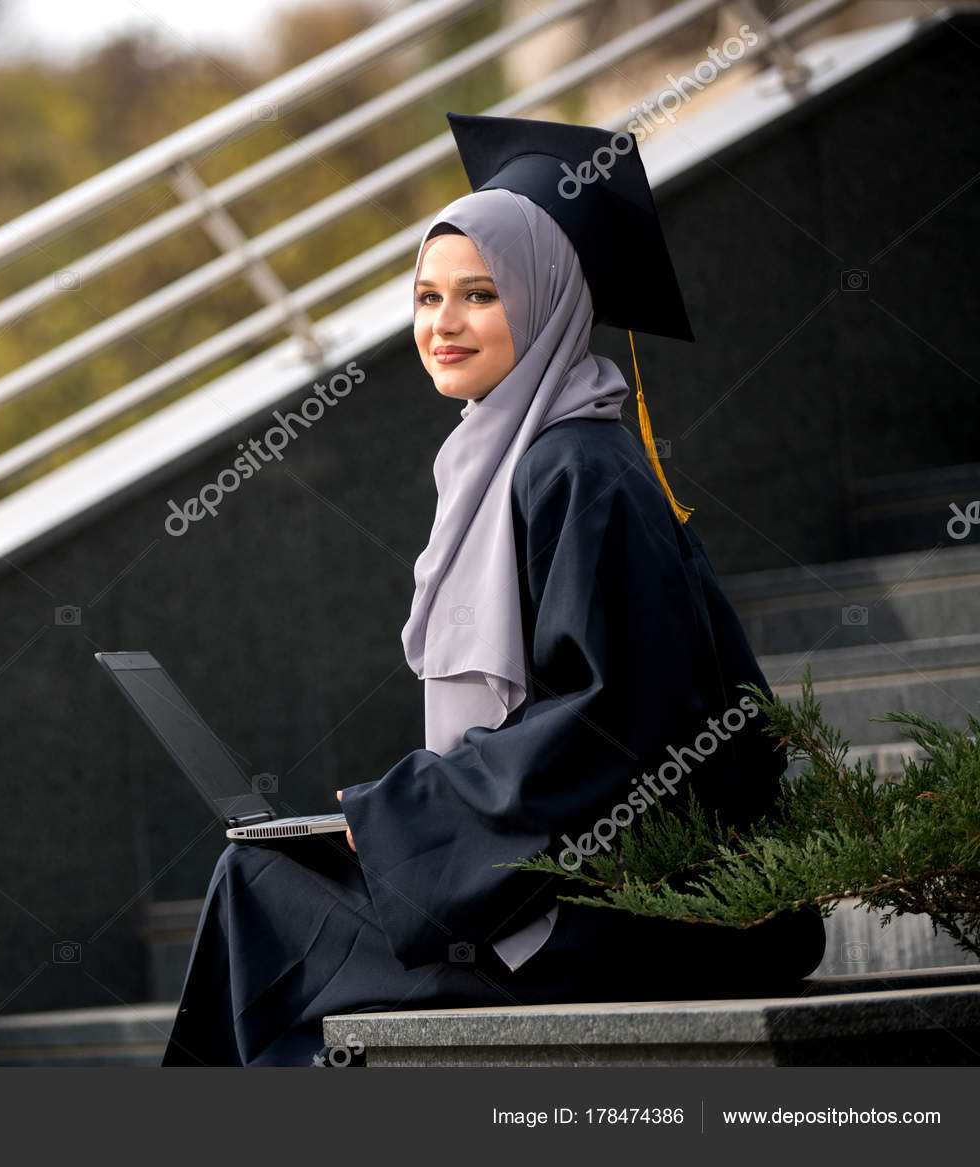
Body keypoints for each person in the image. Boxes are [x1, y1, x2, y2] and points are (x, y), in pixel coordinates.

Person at [159, 114, 825, 1068]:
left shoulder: (579, 471)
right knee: (264, 877)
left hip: (639, 907)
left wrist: (402, 816)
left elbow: (617, 729)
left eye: (480, 294)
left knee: (259, 889)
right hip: (565, 879)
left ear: (549, 299)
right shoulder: (506, 459)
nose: (443, 323)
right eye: (427, 296)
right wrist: (400, 821)